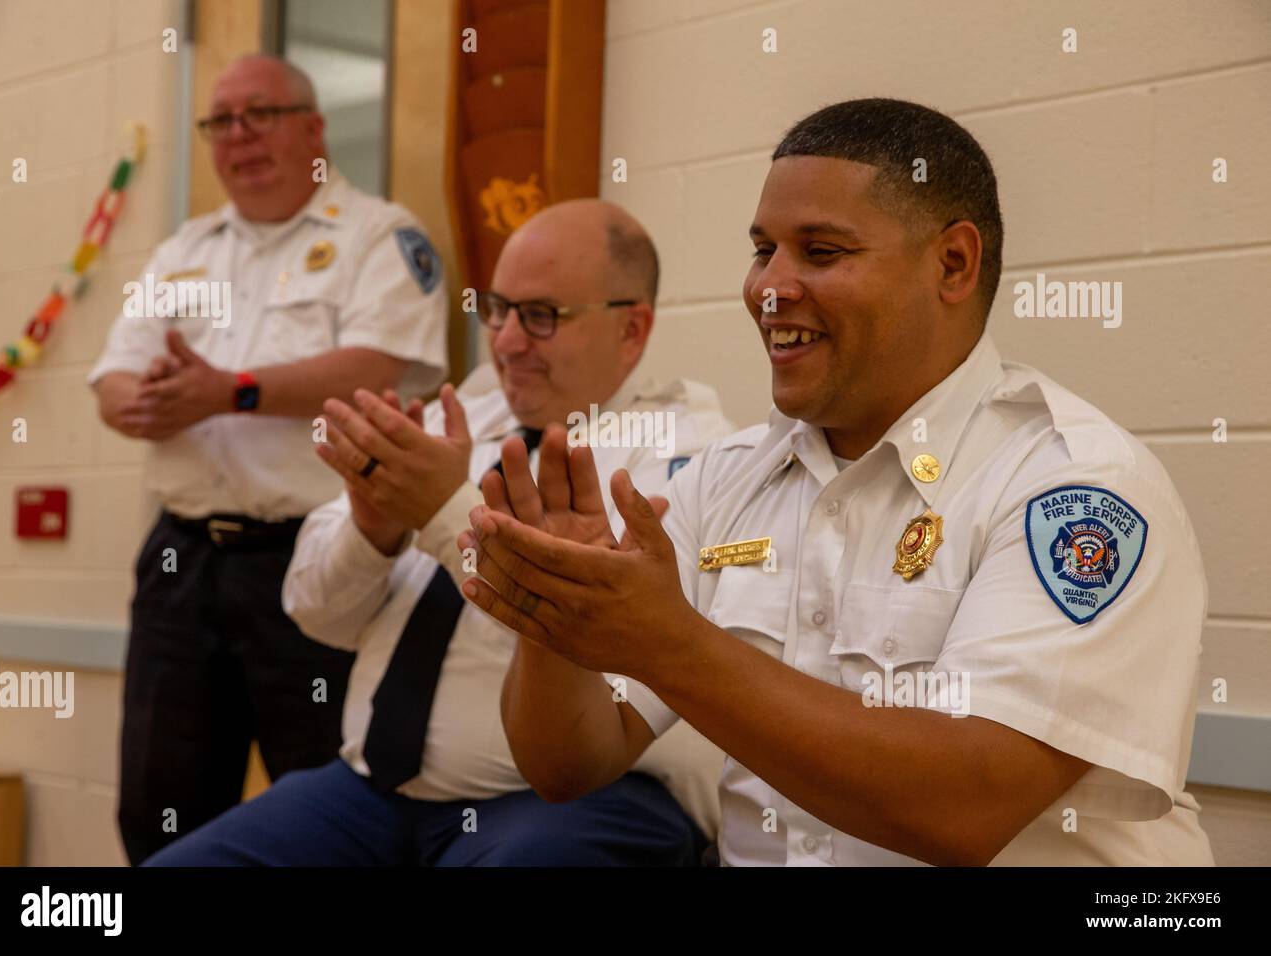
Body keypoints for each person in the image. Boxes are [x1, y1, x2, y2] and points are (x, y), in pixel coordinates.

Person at [463, 99, 1215, 866]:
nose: (770, 287)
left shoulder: (1076, 484)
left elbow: (965, 807)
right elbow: (570, 765)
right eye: (763, 250)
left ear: (953, 263)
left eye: (820, 252)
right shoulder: (723, 482)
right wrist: (554, 616)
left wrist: (668, 643)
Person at [143, 199, 731, 866]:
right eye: (498, 309)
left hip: (579, 802)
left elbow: (612, 638)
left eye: (541, 317)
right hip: (373, 795)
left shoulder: (691, 459)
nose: (506, 341)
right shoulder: (465, 411)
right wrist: (373, 526)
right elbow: (315, 614)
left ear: (632, 329)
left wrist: (443, 511)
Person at [88, 55, 447, 864]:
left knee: (325, 808)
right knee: (160, 806)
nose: (238, 136)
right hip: (181, 560)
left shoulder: (378, 236)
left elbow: (377, 368)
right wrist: (136, 403)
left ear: (314, 129)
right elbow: (111, 377)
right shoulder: (183, 250)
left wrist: (231, 391)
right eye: (221, 121)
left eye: (261, 115)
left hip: (317, 560)